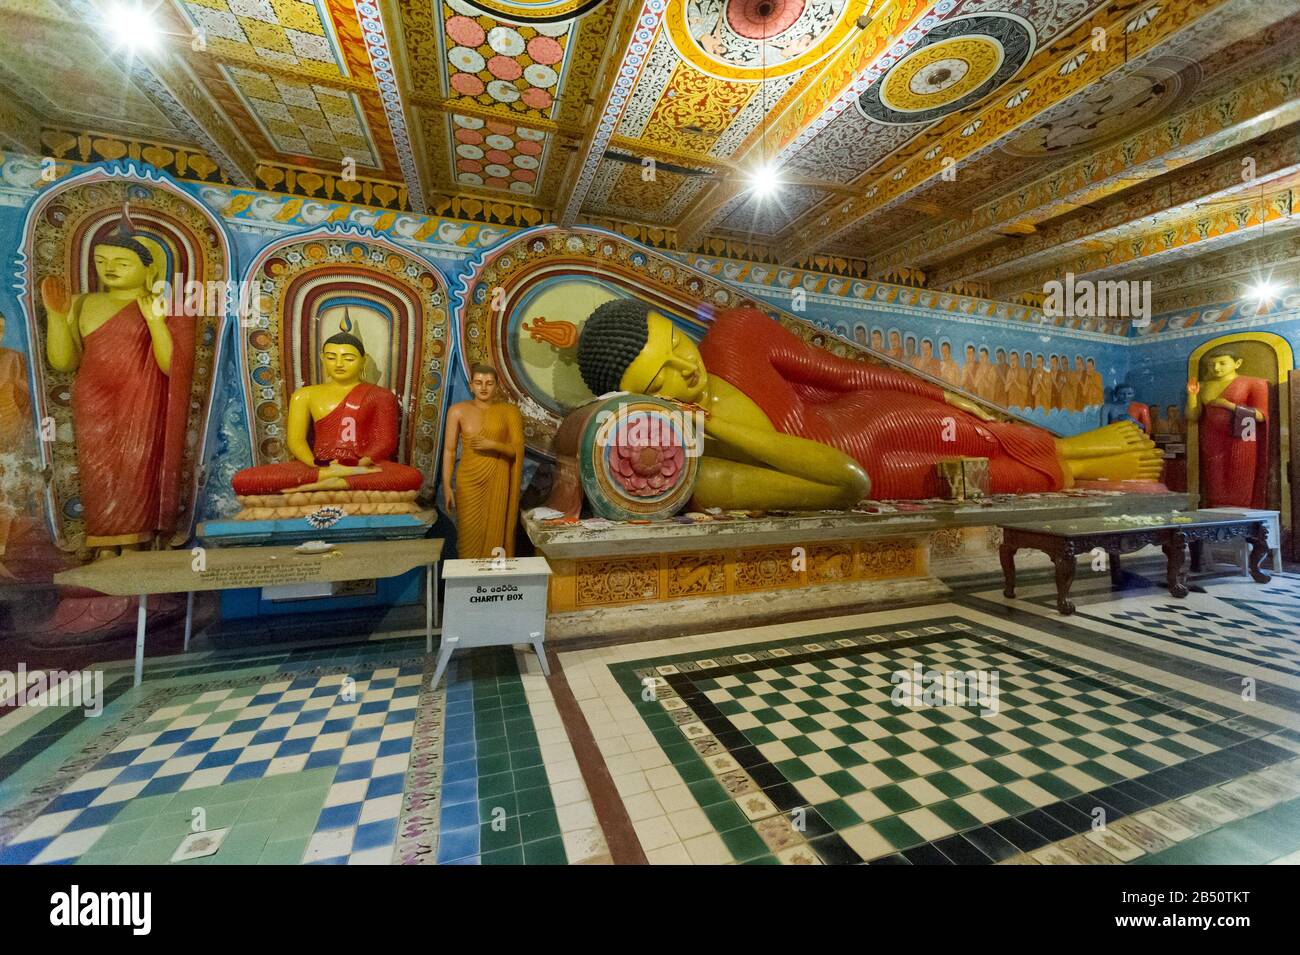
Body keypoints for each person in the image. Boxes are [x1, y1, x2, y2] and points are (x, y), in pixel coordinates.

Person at [574, 301, 1162, 508]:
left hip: (875, 413)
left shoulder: (732, 338)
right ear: (636, 406)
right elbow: (845, 482)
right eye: (661, 383)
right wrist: (720, 426)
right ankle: (1084, 464)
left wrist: (940, 393)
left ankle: (1081, 451)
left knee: (978, 433)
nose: (686, 369)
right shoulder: (698, 462)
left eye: (677, 344)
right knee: (987, 480)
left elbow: (844, 371)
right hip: (879, 473)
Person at [39, 207, 193, 555]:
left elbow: (172, 367)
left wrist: (155, 320)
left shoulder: (161, 304)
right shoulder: (83, 303)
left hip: (142, 393)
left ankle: (136, 541)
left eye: (121, 263)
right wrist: (58, 318)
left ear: (148, 268)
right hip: (93, 394)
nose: (109, 269)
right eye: (101, 261)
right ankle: (104, 541)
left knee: (137, 463)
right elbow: (63, 362)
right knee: (98, 470)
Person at [232, 329, 423, 496]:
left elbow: (385, 441)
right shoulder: (304, 395)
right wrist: (317, 465)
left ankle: (333, 481)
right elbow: (296, 441)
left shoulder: (380, 395)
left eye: (348, 358)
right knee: (243, 479)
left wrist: (360, 464)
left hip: (364, 465)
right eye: (331, 357)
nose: (339, 364)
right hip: (320, 464)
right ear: (323, 358)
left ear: (363, 361)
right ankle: (336, 478)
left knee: (410, 477)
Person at [442, 364, 524, 558]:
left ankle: (493, 581)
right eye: (478, 383)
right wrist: (446, 486)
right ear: (471, 385)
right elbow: (449, 451)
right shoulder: (458, 411)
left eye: (489, 383)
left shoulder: (509, 412)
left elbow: (517, 450)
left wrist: (493, 445)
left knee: (495, 531)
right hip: (468, 481)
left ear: (496, 386)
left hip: (497, 480)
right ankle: (469, 582)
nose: (484, 388)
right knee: (468, 535)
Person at [1187, 351, 1269, 508]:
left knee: (1240, 476)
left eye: (1222, 363)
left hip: (1243, 436)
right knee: (1214, 480)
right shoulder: (1203, 385)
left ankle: (1240, 512)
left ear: (1237, 363)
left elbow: (1261, 416)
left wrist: (1228, 405)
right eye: (1211, 365)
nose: (1216, 368)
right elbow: (1193, 416)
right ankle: (1217, 511)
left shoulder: (1253, 383)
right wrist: (1192, 395)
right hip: (1211, 436)